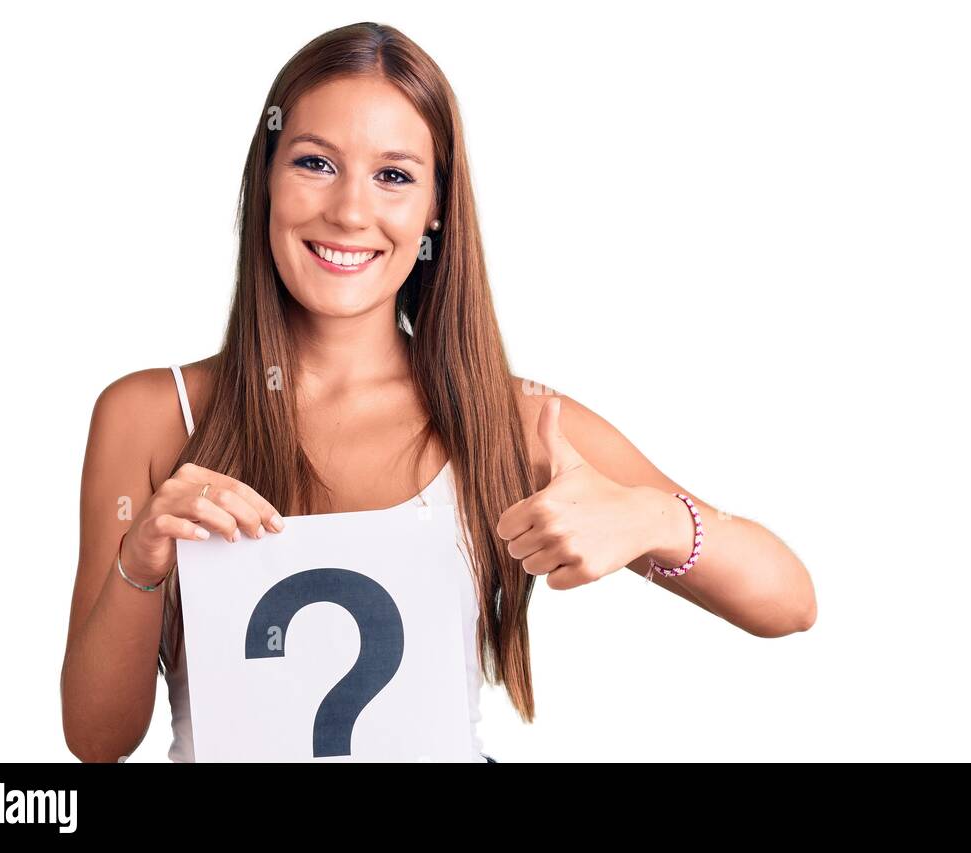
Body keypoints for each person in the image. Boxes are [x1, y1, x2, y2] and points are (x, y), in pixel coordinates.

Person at [60, 21, 817, 764]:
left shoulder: (511, 419)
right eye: (316, 163)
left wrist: (652, 519)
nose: (350, 211)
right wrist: (140, 561)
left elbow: (788, 599)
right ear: (265, 180)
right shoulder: (152, 415)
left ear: (436, 211)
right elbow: (97, 740)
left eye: (394, 175)